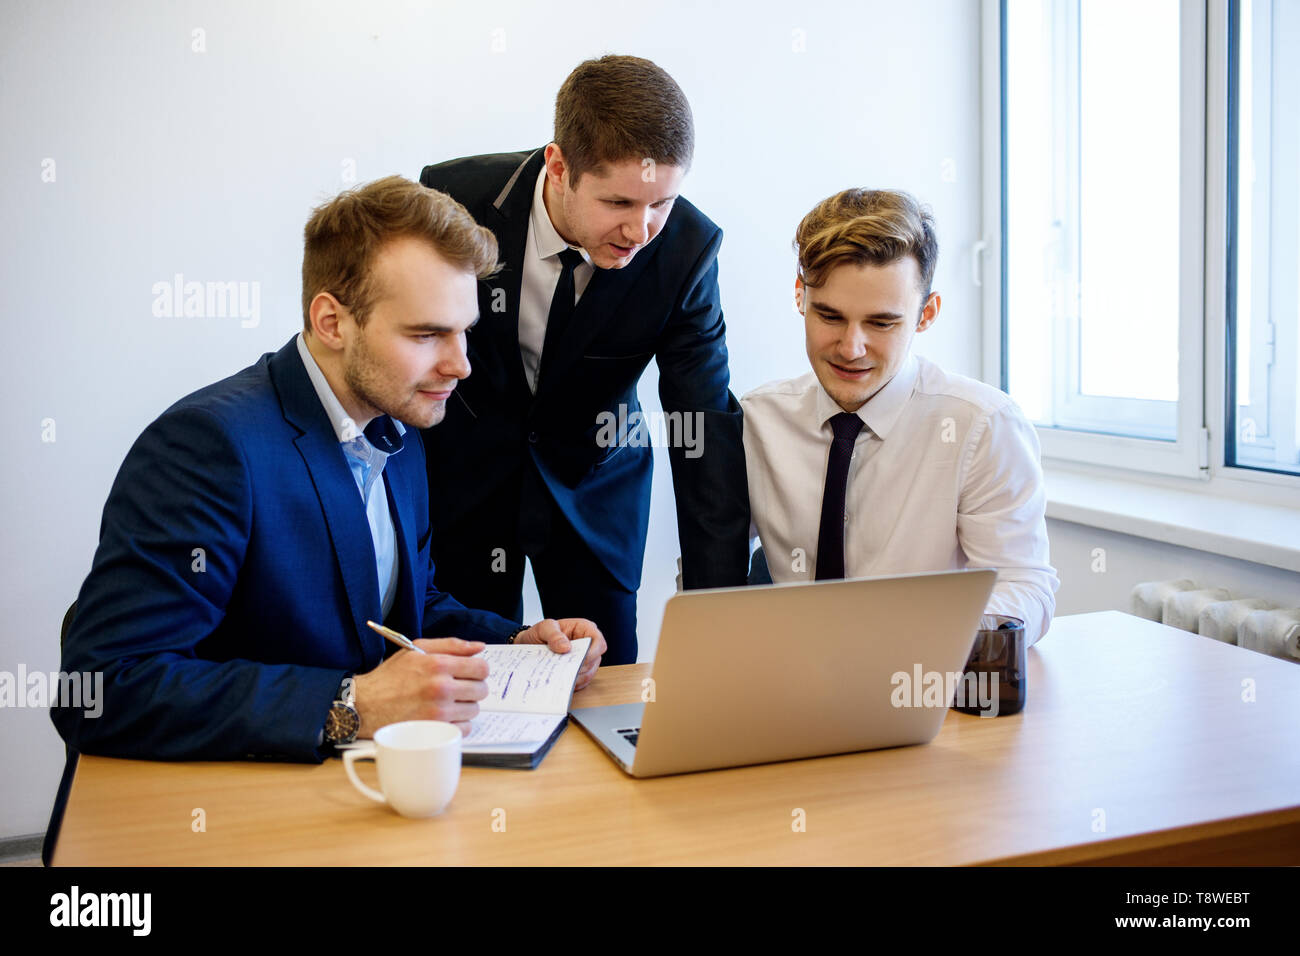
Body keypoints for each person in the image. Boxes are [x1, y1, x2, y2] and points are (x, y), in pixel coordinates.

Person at [51, 176, 606, 762]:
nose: (461, 365)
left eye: (464, 332)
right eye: (427, 334)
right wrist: (353, 701)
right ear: (332, 322)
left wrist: (517, 642)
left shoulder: (400, 426)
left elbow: (394, 608)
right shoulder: (209, 447)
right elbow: (103, 688)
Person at [417, 55, 749, 665]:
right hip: (463, 478)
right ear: (559, 166)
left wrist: (718, 611)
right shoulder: (454, 198)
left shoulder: (688, 250)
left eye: (661, 203)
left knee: (603, 681)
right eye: (619, 202)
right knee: (469, 678)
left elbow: (702, 428)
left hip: (596, 488)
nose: (641, 229)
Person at [741, 188, 1059, 644]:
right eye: (829, 316)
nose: (851, 348)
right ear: (800, 297)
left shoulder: (983, 425)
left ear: (925, 314)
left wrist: (907, 639)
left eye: (881, 323)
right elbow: (708, 571)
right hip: (792, 685)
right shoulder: (757, 420)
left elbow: (1025, 587)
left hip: (923, 684)